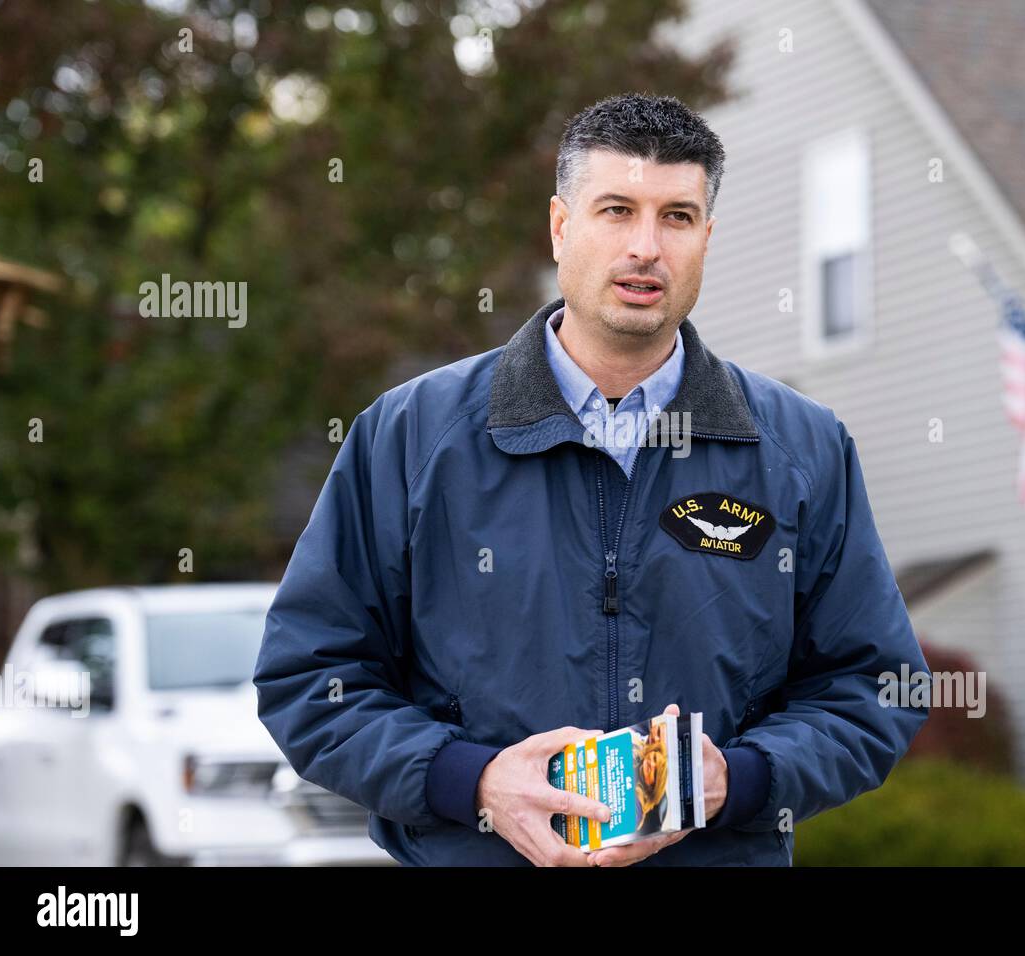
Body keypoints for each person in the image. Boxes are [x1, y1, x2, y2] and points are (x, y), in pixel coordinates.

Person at [253, 92, 930, 867]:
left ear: (706, 238)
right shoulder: (410, 437)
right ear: (559, 226)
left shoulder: (801, 449)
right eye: (616, 210)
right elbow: (310, 676)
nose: (646, 247)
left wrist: (736, 781)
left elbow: (877, 686)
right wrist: (473, 784)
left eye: (676, 217)